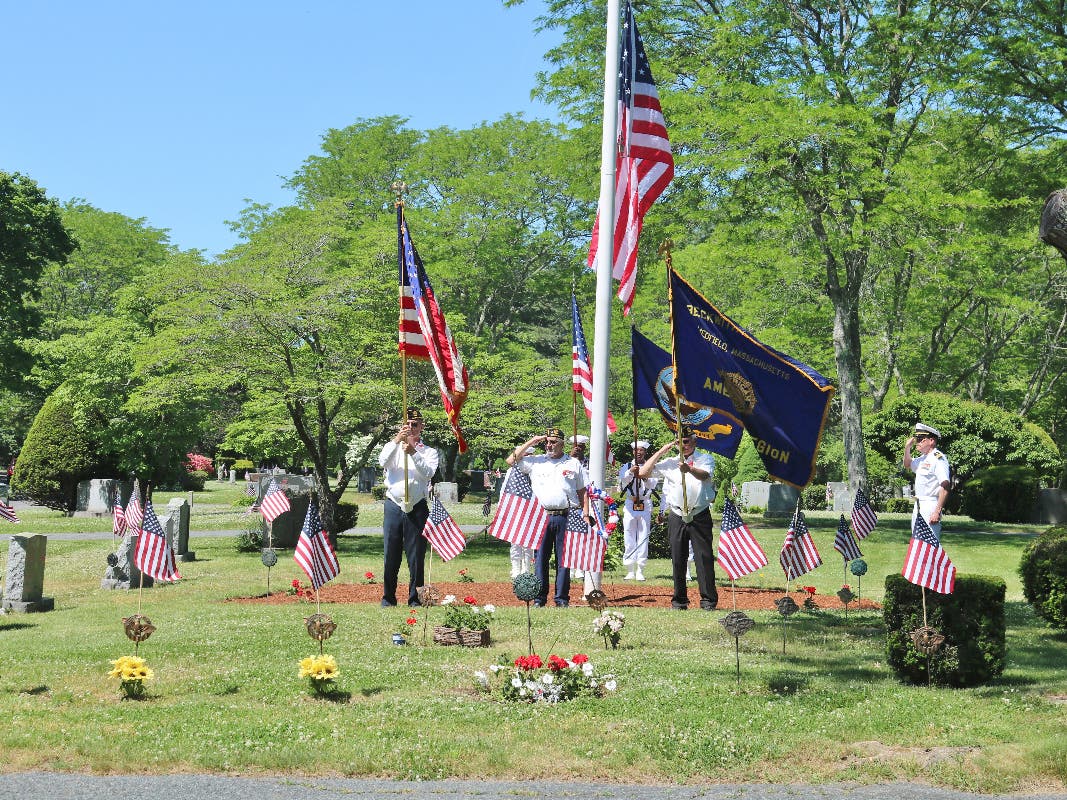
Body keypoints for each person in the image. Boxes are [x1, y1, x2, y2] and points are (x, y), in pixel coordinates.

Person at [508, 426, 589, 607]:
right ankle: (540, 598)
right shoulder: (536, 461)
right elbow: (510, 460)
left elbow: (583, 491)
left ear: (561, 444)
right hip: (541, 516)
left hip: (566, 516)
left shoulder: (572, 463)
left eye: (553, 442)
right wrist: (531, 441)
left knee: (564, 560)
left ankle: (561, 599)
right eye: (546, 442)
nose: (549, 445)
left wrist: (585, 513)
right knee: (540, 560)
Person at [639, 426, 718, 610]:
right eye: (680, 441)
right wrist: (662, 450)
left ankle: (708, 601)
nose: (684, 445)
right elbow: (643, 473)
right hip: (677, 514)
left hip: (699, 514)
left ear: (695, 441)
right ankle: (679, 601)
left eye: (687, 441)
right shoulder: (670, 462)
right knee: (678, 558)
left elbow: (705, 475)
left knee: (703, 558)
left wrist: (688, 470)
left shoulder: (705, 459)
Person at [378, 407, 439, 607]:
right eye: (407, 424)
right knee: (391, 554)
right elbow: (382, 462)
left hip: (417, 506)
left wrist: (413, 453)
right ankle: (388, 598)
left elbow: (428, 473)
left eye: (415, 424)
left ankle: (415, 598)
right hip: (394, 505)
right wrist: (397, 441)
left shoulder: (429, 452)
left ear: (421, 427)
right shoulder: (392, 446)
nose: (411, 428)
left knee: (416, 555)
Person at [902, 422, 951, 541]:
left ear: (931, 441)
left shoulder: (938, 458)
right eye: (917, 439)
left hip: (930, 505)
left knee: (930, 543)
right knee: (917, 542)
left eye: (921, 439)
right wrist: (907, 447)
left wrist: (937, 511)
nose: (917, 442)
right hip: (919, 504)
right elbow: (907, 464)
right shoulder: (923, 459)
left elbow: (945, 485)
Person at [617, 440, 657, 581]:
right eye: (636, 450)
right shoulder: (626, 466)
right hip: (630, 503)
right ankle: (629, 569)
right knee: (629, 536)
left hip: (645, 504)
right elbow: (622, 482)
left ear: (645, 452)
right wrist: (630, 473)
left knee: (643, 536)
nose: (639, 453)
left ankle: (640, 569)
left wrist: (644, 476)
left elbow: (653, 484)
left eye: (641, 450)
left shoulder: (650, 466)